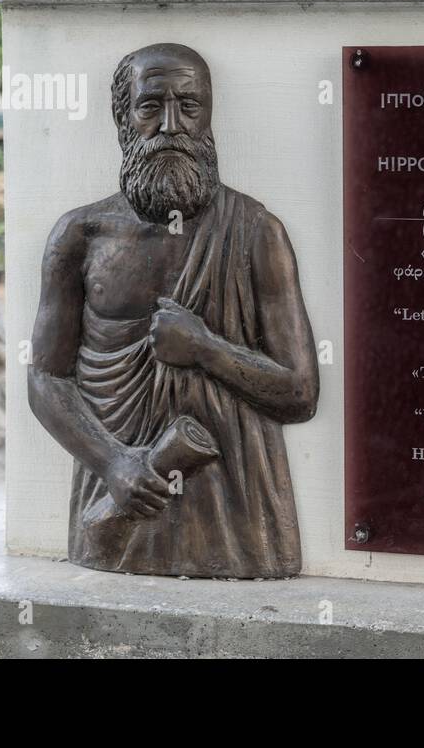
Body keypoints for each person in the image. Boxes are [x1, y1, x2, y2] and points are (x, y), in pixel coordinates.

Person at [27, 43, 319, 578]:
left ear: (209, 114)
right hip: (115, 505)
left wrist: (207, 349)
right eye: (150, 106)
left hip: (238, 515)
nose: (171, 125)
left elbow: (299, 393)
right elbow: (46, 377)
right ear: (122, 118)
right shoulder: (80, 236)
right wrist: (114, 461)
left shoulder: (256, 232)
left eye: (190, 106)